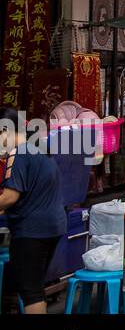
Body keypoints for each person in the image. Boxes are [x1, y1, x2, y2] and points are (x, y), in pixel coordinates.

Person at [0, 108, 64, 314]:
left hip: (32, 231)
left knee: (31, 293)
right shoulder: (39, 149)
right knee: (35, 287)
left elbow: (10, 197)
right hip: (52, 227)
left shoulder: (18, 153)